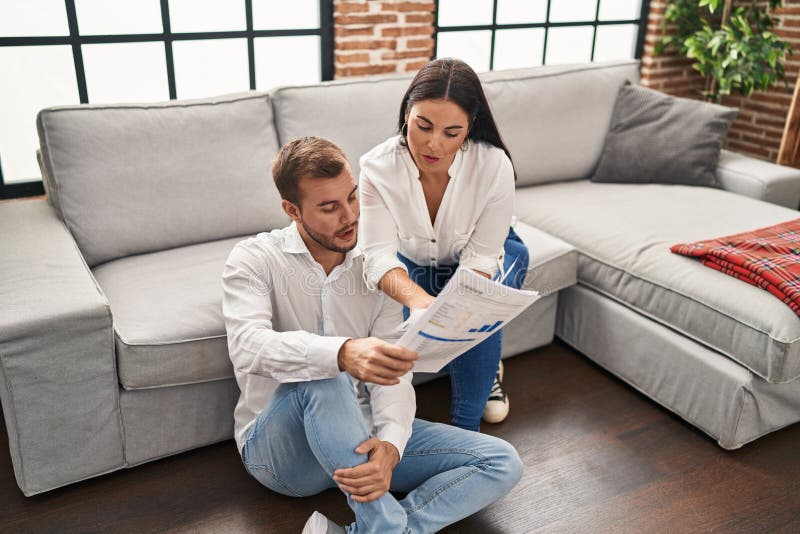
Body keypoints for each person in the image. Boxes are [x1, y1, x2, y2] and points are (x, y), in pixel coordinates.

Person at [222, 137, 523, 533]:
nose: (349, 216)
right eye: (329, 207)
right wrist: (343, 353)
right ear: (292, 210)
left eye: (351, 198)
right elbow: (247, 347)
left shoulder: (377, 267)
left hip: (362, 438)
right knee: (323, 375)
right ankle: (384, 526)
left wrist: (392, 446)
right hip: (286, 457)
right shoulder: (253, 260)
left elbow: (394, 372)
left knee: (502, 461)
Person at [359, 58, 530, 432]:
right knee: (417, 313)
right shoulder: (376, 168)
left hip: (492, 255)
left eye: (451, 132)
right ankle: (486, 365)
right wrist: (421, 302)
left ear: (470, 128)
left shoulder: (494, 166)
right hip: (417, 263)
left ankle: (467, 434)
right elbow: (377, 256)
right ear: (407, 112)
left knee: (477, 309)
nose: (433, 143)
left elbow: (482, 258)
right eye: (423, 126)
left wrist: (460, 307)